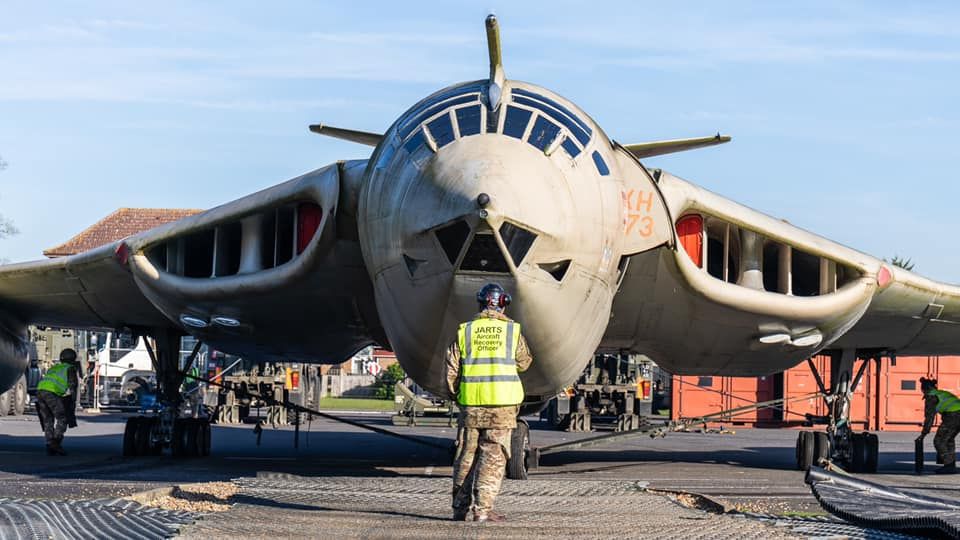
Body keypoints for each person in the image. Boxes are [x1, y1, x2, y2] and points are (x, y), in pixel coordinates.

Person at [445, 283, 533, 522]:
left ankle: (459, 509)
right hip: (502, 408)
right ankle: (482, 511)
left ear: (480, 302)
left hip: (471, 406)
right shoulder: (512, 332)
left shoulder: (466, 332)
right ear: (503, 304)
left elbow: (451, 371)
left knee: (466, 456)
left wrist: (459, 396)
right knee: (493, 458)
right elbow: (524, 362)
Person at [35, 348, 80, 456]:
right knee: (62, 418)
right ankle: (56, 443)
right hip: (51, 393)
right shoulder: (70, 369)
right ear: (73, 359)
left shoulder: (55, 367)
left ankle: (50, 443)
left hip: (40, 390)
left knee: (48, 419)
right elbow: (72, 387)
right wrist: (72, 405)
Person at [919, 377, 960, 474]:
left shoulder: (931, 396)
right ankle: (950, 464)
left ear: (924, 389)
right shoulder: (941, 393)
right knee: (948, 439)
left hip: (953, 416)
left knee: (939, 440)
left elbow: (929, 417)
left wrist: (924, 432)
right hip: (955, 415)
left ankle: (949, 465)